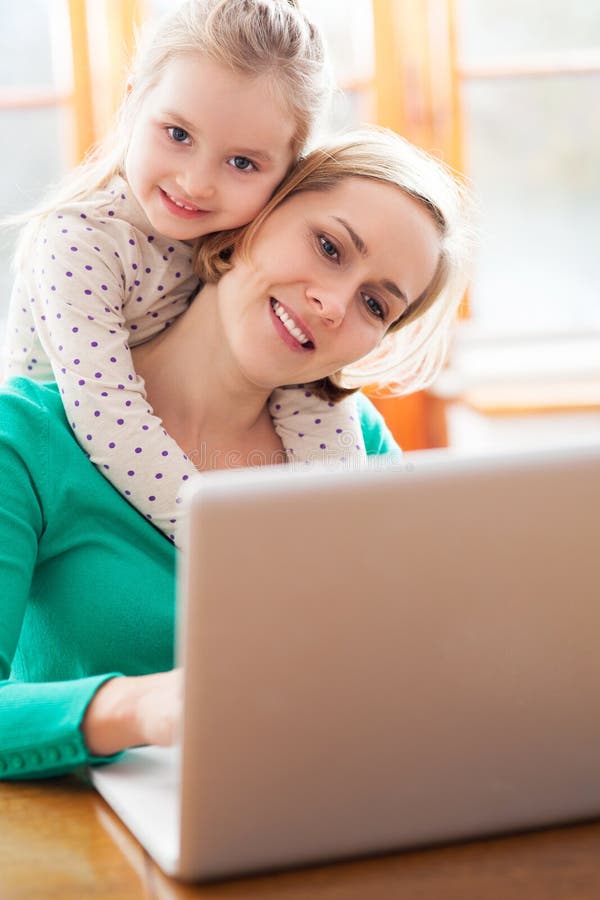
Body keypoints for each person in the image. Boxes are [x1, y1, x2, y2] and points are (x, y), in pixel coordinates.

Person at [0, 126, 472, 780]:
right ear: (254, 219)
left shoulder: (355, 444)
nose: (335, 306)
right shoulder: (25, 438)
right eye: (329, 246)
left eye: (374, 304)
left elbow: (420, 658)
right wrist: (136, 707)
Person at [2, 0, 368, 548]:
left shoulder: (247, 235)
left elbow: (302, 392)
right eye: (177, 134)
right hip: (58, 485)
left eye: (242, 163)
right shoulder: (77, 241)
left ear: (287, 175)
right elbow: (108, 417)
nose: (196, 183)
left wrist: (348, 533)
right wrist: (231, 545)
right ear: (132, 104)